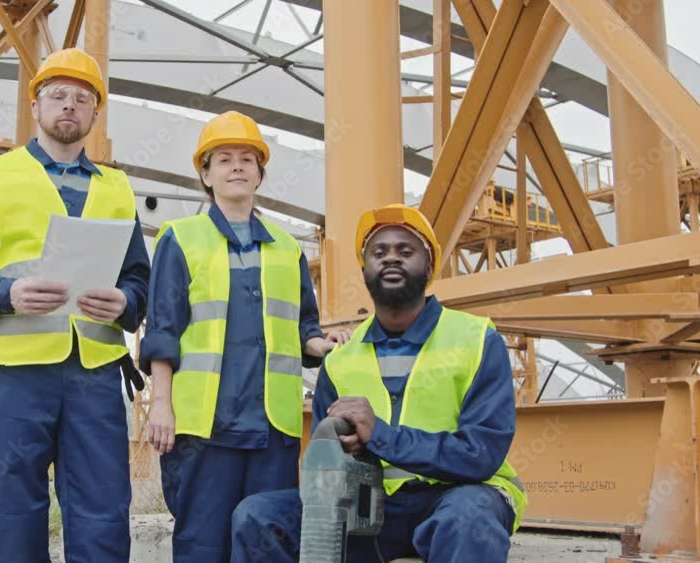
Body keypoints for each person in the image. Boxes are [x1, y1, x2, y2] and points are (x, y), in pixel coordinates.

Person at [0, 48, 149, 563]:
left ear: (95, 114)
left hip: (94, 375)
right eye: (58, 96)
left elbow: (139, 279)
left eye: (82, 99)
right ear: (36, 106)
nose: (69, 107)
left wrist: (124, 302)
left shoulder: (118, 188)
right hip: (16, 373)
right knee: (16, 508)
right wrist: (6, 294)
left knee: (103, 509)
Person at [230, 204, 527, 563]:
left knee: (466, 520)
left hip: (456, 495)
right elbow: (328, 461)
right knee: (259, 517)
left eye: (405, 251)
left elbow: (481, 454)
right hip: (368, 507)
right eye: (379, 252)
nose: (391, 259)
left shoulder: (476, 340)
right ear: (365, 270)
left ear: (429, 267)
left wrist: (380, 435)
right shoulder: (339, 361)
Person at [139, 111, 347, 563]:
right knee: (202, 544)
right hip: (205, 426)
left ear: (260, 173)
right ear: (206, 173)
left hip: (273, 429)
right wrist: (161, 403)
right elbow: (163, 329)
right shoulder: (181, 238)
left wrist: (320, 345)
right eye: (224, 159)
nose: (237, 167)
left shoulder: (287, 248)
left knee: (267, 540)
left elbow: (303, 328)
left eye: (247, 159)